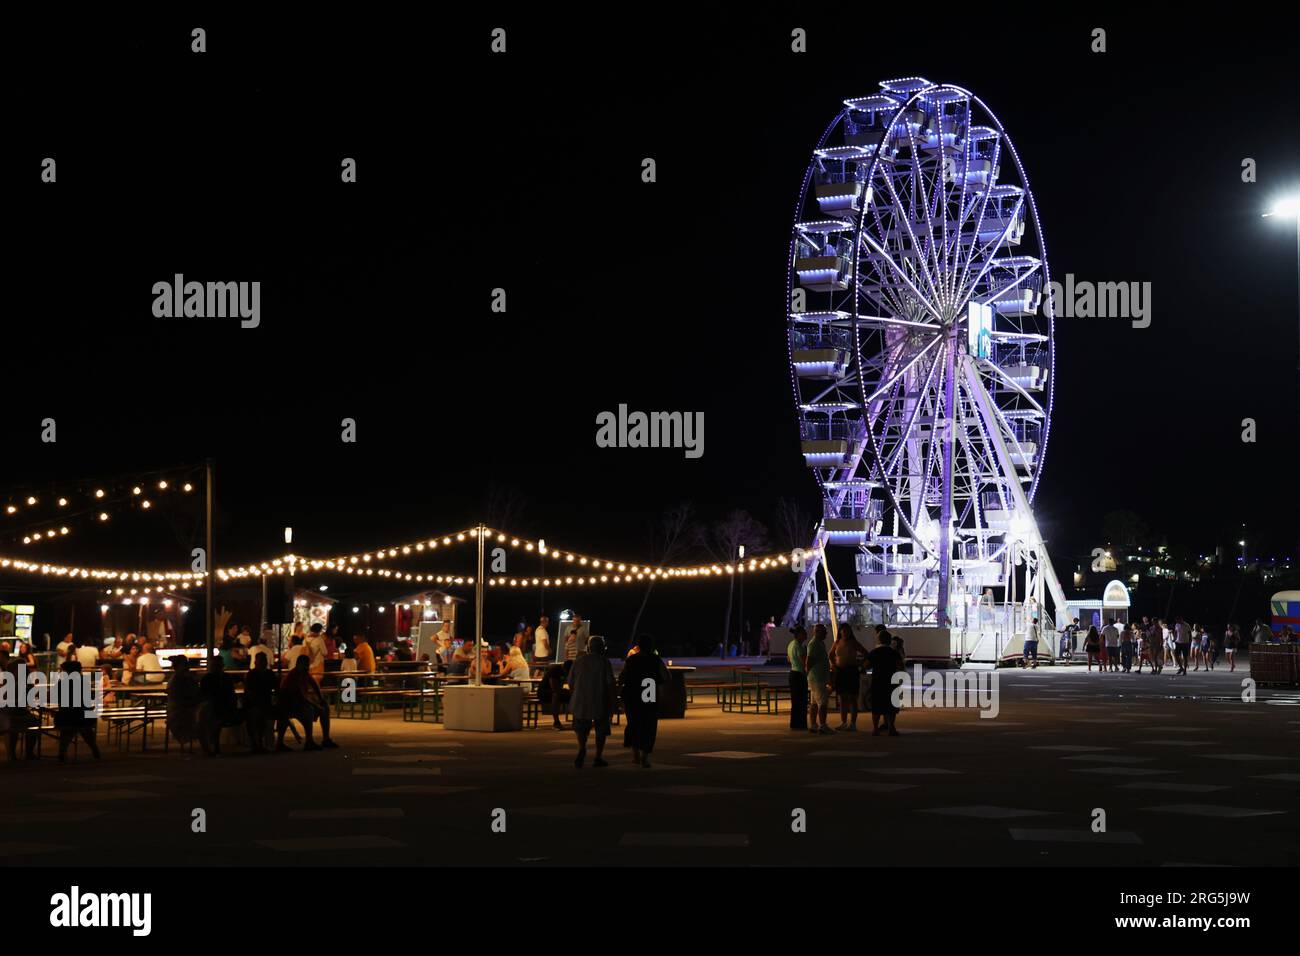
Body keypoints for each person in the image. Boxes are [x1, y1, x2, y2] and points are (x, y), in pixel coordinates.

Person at [620, 634, 670, 767]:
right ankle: (645, 756)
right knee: (649, 725)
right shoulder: (655, 660)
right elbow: (666, 676)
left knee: (634, 723)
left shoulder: (631, 660)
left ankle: (635, 754)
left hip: (632, 695)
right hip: (649, 695)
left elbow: (622, 677)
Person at [568, 635, 614, 768]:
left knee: (580, 727)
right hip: (599, 699)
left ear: (589, 647)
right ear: (602, 648)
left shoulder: (579, 661)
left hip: (581, 700)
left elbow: (570, 682)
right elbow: (610, 683)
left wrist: (575, 696)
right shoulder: (604, 662)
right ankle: (598, 756)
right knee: (601, 729)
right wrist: (614, 702)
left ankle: (582, 747)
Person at [276, 655, 338, 751]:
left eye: (307, 665)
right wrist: (316, 705)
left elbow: (314, 684)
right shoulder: (294, 675)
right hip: (289, 704)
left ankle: (326, 738)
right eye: (305, 665)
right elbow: (301, 696)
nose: (307, 667)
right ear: (298, 664)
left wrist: (321, 699)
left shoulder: (304, 673)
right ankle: (309, 741)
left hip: (299, 703)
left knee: (324, 707)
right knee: (308, 711)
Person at [52, 659, 102, 762]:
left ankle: (62, 751)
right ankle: (94, 749)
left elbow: (55, 698)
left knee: (66, 729)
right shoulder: (84, 682)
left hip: (66, 716)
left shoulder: (62, 683)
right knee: (86, 729)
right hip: (83, 716)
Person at [198, 654, 238, 757]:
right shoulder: (219, 678)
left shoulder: (209, 678)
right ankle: (214, 745)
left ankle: (213, 745)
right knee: (214, 718)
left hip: (220, 707)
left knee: (214, 717)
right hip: (218, 707)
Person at [866, 626, 903, 736]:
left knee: (877, 706)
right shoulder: (893, 653)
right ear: (889, 640)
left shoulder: (874, 652)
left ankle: (875, 729)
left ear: (879, 640)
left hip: (877, 681)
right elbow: (900, 666)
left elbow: (866, 666)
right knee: (891, 706)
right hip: (891, 681)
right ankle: (891, 728)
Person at [831, 624, 866, 731]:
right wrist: (833, 664)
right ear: (840, 632)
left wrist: (860, 664)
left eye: (847, 631)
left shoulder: (853, 643)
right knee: (842, 698)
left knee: (852, 698)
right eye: (843, 631)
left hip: (851, 671)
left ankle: (853, 723)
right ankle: (843, 722)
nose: (845, 633)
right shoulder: (837, 643)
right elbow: (830, 654)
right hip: (841, 672)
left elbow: (866, 653)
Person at [165, 655, 202, 749]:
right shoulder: (181, 679)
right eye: (185, 664)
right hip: (181, 711)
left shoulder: (177, 678)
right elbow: (189, 696)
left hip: (179, 710)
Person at [244, 653, 277, 753]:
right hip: (255, 704)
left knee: (267, 718)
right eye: (261, 660)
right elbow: (249, 692)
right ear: (256, 662)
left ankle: (266, 744)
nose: (263, 663)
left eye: (264, 660)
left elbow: (275, 687)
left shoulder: (269, 673)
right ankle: (257, 744)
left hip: (266, 703)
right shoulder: (251, 674)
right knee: (256, 717)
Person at [805, 623, 832, 734]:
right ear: (818, 632)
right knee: (822, 703)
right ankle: (822, 725)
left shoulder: (819, 643)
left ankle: (814, 725)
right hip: (817, 678)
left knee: (814, 703)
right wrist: (807, 672)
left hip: (817, 677)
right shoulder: (814, 644)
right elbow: (809, 660)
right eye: (824, 632)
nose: (826, 633)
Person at [787, 625, 809, 731]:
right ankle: (801, 724)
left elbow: (789, 659)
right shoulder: (799, 646)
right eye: (804, 633)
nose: (806, 635)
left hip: (792, 673)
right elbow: (804, 662)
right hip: (799, 674)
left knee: (795, 701)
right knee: (802, 701)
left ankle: (794, 723)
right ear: (799, 635)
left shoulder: (791, 644)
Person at [539, 662, 570, 730]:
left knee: (573, 694)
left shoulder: (564, 671)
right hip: (545, 692)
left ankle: (578, 719)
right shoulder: (554, 670)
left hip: (555, 690)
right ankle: (556, 722)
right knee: (556, 695)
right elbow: (554, 687)